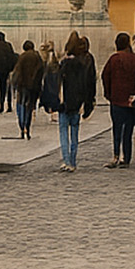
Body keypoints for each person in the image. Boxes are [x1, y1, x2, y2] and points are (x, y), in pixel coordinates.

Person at [55, 33, 96, 172]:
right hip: (77, 103)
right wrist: (86, 102)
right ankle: (73, 161)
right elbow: (86, 84)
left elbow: (58, 85)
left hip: (65, 104)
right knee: (74, 133)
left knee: (63, 133)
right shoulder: (81, 64)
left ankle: (66, 160)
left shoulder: (63, 64)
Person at [102, 33, 135, 169]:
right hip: (131, 98)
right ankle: (127, 156)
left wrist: (108, 94)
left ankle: (116, 155)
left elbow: (105, 76)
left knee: (117, 128)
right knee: (128, 130)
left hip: (116, 99)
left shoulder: (114, 59)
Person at [10, 40, 45, 140]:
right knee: (29, 107)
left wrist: (14, 83)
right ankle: (27, 128)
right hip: (34, 86)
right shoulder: (37, 57)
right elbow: (41, 71)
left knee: (21, 105)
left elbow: (17, 71)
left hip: (23, 85)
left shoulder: (22, 57)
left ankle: (22, 127)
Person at [0, 32, 18, 114]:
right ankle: (9, 105)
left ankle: (1, 105)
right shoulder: (8, 46)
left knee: (1, 87)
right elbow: (12, 57)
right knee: (8, 88)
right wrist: (10, 68)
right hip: (6, 70)